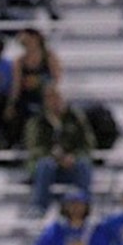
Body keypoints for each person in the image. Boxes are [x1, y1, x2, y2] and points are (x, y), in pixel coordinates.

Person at [24, 83, 97, 215]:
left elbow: (87, 144)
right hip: (46, 166)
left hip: (71, 165)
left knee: (83, 164)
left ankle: (85, 207)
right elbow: (34, 147)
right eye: (49, 97)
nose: (54, 101)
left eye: (57, 96)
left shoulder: (75, 117)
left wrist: (73, 156)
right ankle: (39, 207)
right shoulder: (37, 121)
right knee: (45, 165)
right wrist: (56, 157)